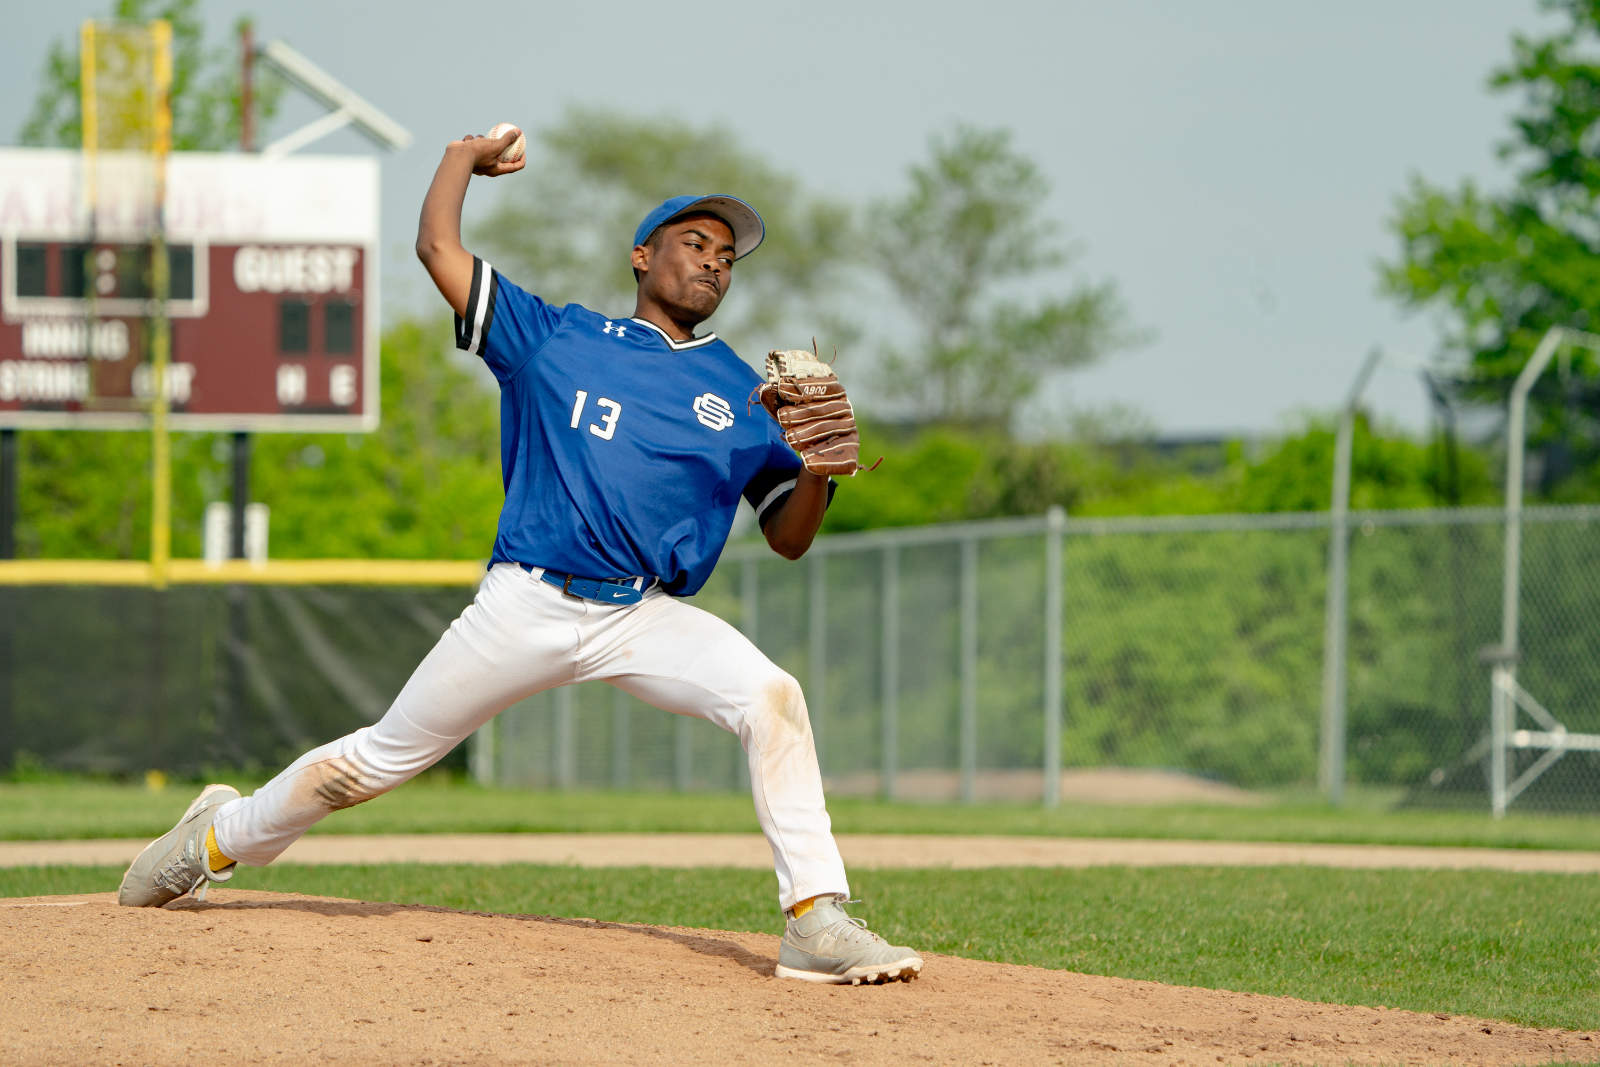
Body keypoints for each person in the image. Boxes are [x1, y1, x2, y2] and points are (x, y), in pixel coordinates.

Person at [118, 126, 924, 986]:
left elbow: (790, 537)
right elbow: (437, 247)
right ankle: (211, 836)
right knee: (372, 763)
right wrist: (463, 158)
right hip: (525, 601)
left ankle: (814, 919)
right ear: (641, 256)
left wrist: (815, 470)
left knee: (772, 695)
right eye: (695, 243)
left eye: (728, 255)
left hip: (639, 615)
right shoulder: (555, 338)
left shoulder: (744, 390)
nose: (715, 263)